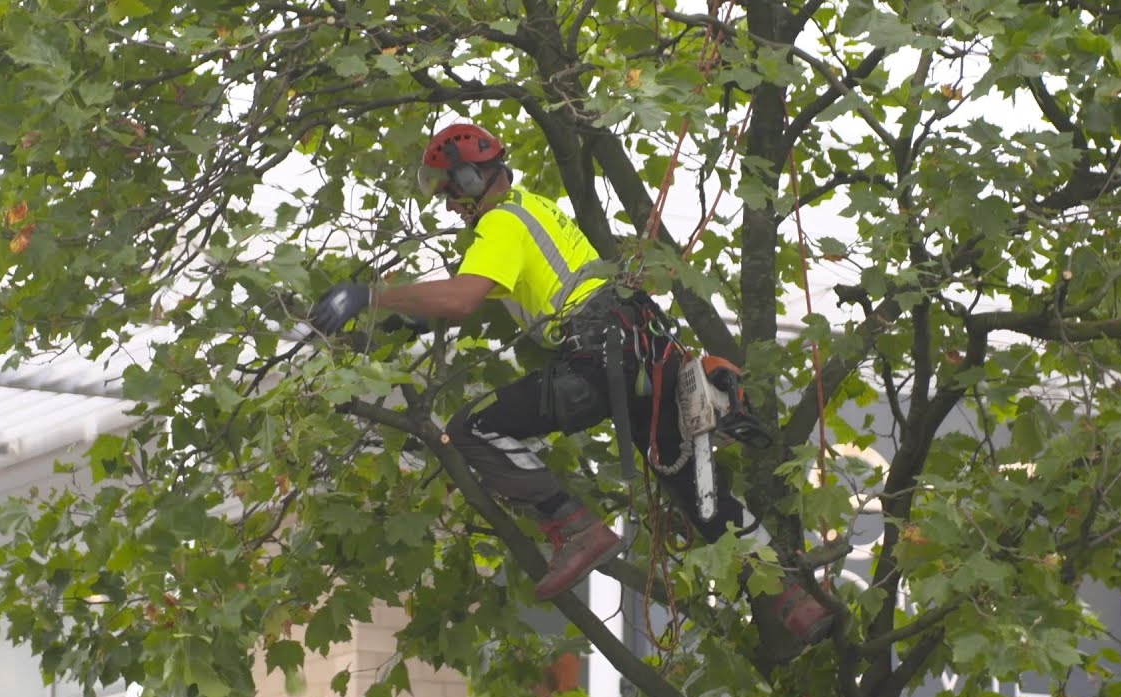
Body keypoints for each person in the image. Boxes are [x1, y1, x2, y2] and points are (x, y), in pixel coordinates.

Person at [305, 122, 833, 648]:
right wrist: (414, 318)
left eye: (449, 192)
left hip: (597, 356)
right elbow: (492, 291)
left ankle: (575, 526)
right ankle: (791, 598)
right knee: (698, 489)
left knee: (473, 428)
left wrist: (372, 296)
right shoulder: (536, 208)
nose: (448, 207)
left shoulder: (501, 224)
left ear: (469, 179)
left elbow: (465, 296)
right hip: (647, 354)